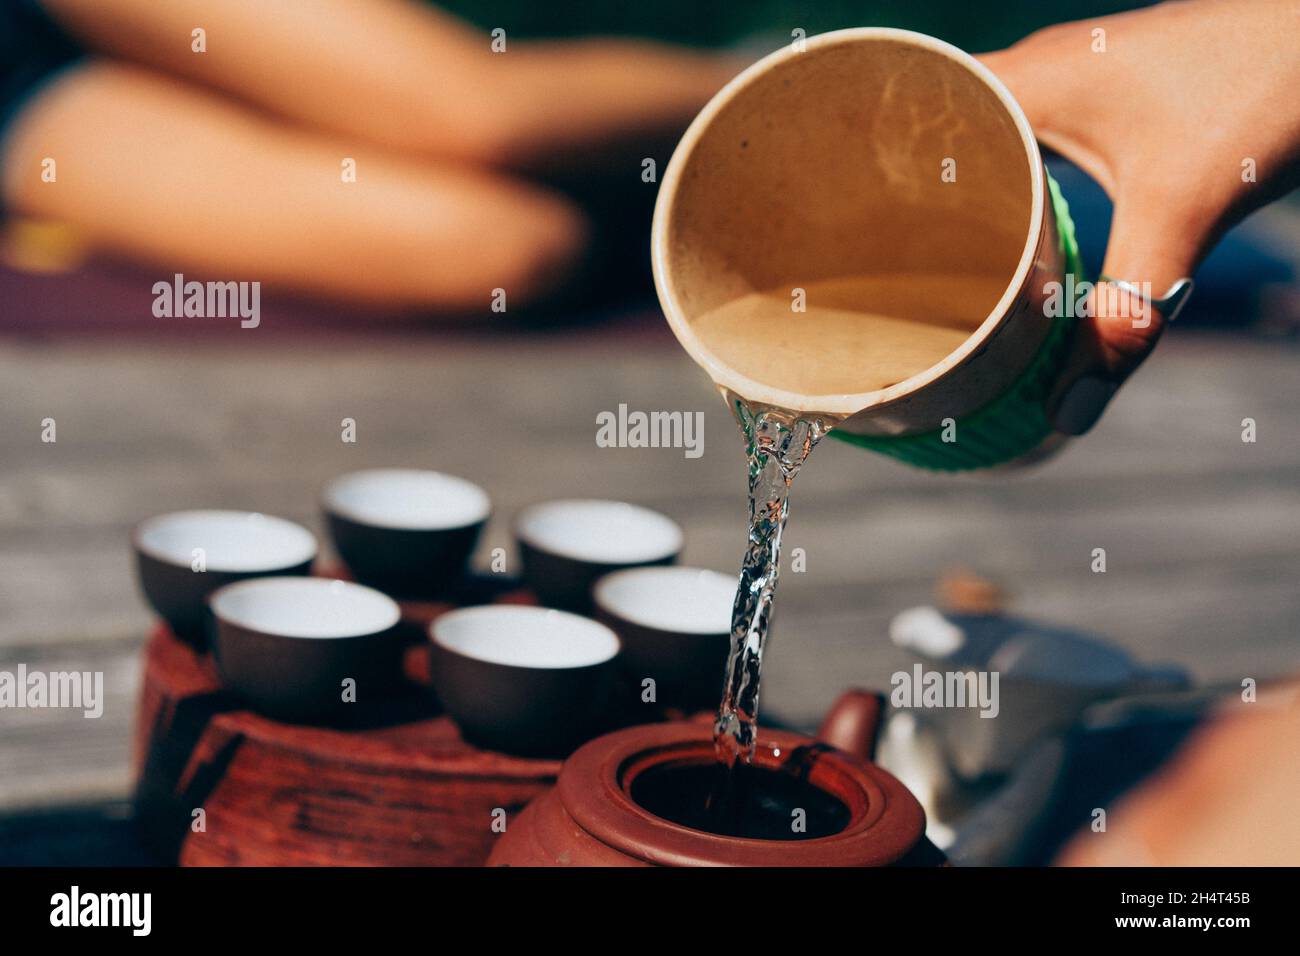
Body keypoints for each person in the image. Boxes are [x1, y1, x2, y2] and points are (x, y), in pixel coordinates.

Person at [0, 0, 736, 310]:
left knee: (479, 113)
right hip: (18, 95)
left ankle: (798, 81)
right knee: (508, 250)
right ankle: (728, 210)